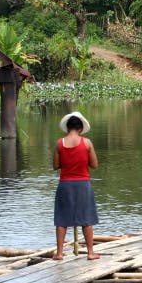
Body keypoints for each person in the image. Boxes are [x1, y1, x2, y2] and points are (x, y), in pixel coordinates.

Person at [53, 111, 100, 260]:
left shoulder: (59, 143)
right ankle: (91, 253)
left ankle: (59, 253)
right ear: (80, 129)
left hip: (65, 184)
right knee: (86, 218)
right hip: (83, 184)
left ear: (67, 129)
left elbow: (55, 165)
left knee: (62, 219)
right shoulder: (87, 143)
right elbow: (94, 165)